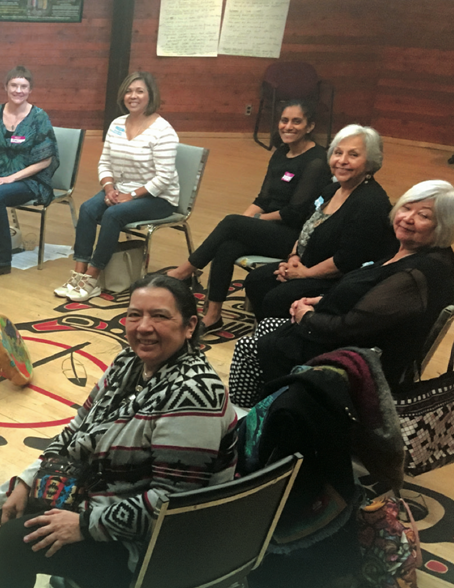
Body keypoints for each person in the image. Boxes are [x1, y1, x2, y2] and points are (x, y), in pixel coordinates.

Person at [0, 275, 237, 588]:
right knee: (11, 500)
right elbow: (77, 428)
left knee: (15, 541)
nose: (143, 327)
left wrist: (85, 526)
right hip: (113, 495)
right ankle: (71, 579)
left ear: (190, 325)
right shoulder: (129, 362)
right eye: (134, 314)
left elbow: (172, 504)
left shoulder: (194, 395)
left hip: (154, 549)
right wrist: (28, 479)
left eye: (160, 316)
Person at [229, 181, 454, 407]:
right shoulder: (410, 251)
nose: (407, 218)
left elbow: (349, 328)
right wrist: (321, 301)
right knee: (267, 326)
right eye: (406, 208)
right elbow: (371, 300)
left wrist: (307, 317)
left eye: (423, 215)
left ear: (443, 225)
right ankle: (268, 405)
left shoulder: (415, 274)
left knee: (248, 348)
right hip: (348, 339)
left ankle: (253, 416)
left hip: (357, 361)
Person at [166, 102, 330, 333]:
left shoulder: (316, 161)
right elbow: (263, 198)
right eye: (284, 120)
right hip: (270, 228)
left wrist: (254, 221)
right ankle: (213, 315)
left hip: (295, 237)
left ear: (310, 126)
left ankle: (182, 273)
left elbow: (295, 212)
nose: (288, 126)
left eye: (296, 121)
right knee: (228, 245)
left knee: (232, 223)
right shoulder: (281, 153)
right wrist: (246, 222)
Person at [242, 124, 396, 320]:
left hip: (339, 280)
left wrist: (304, 274)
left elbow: (347, 260)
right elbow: (307, 226)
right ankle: (266, 332)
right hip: (307, 264)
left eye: (353, 155)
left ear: (370, 162)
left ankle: (288, 335)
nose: (342, 161)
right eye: (338, 153)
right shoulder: (332, 190)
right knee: (256, 280)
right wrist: (293, 259)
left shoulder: (370, 203)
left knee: (277, 297)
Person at [56, 72, 180, 303]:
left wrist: (130, 196)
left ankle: (92, 278)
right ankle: (78, 273)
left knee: (113, 215)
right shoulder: (116, 124)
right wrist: (109, 188)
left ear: (150, 95)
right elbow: (105, 162)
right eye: (129, 91)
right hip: (121, 189)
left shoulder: (163, 131)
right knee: (87, 209)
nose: (133, 96)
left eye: (140, 91)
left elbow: (164, 177)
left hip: (158, 197)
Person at [0, 66, 58, 279]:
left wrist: (11, 178)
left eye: (23, 86)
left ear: (30, 90)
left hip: (30, 179)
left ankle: (1, 261)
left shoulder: (39, 117)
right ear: (6, 87)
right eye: (14, 85)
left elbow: (45, 160)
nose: (18, 90)